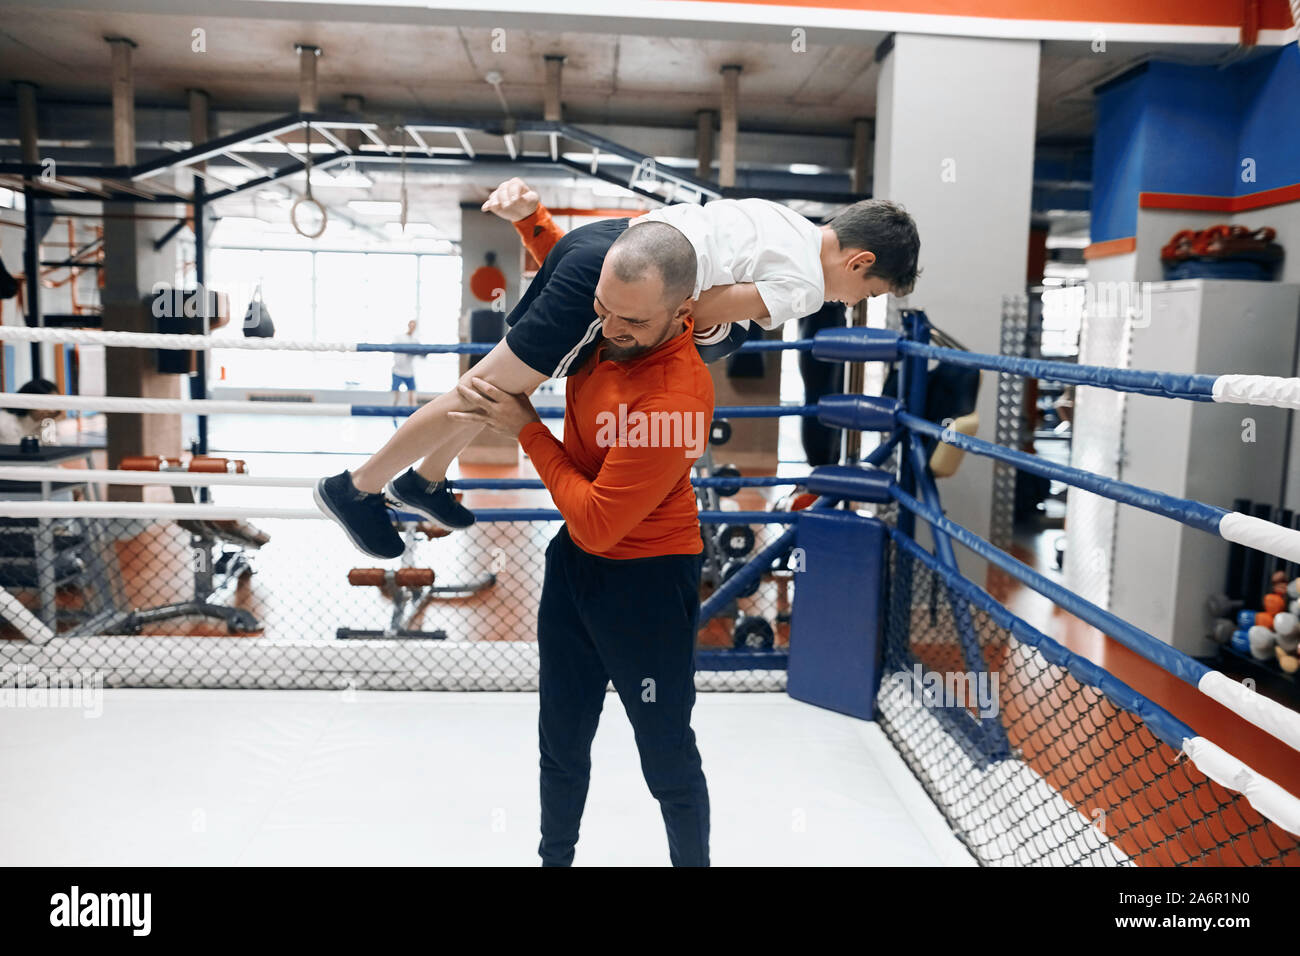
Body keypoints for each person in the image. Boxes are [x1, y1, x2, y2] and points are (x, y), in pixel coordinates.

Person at [315, 177, 920, 558]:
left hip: (607, 242)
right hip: (625, 276)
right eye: (863, 292)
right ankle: (357, 487)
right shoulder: (810, 286)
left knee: (501, 385)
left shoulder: (786, 221)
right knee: (483, 390)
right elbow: (693, 304)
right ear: (860, 260)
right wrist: (719, 330)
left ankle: (424, 477)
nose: (850, 303)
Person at [447, 221, 713, 866]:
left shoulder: (675, 398)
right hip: (574, 571)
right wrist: (535, 225)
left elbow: (598, 521)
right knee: (560, 741)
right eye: (604, 309)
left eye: (632, 322)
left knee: (665, 754)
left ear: (682, 312)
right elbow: (592, 268)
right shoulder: (609, 322)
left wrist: (527, 430)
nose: (612, 329)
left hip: (647, 582)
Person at [0, 378, 64, 444]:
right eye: (46, 404)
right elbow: (15, 450)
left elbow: (54, 449)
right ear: (28, 402)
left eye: (54, 404)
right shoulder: (5, 421)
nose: (52, 411)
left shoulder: (43, 423)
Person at [390, 319, 420, 407]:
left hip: (409, 372)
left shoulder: (415, 341)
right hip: (397, 370)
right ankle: (393, 415)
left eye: (414, 326)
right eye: (411, 325)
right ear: (408, 325)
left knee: (412, 396)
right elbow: (393, 348)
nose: (412, 327)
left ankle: (413, 417)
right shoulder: (399, 337)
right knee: (395, 397)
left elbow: (422, 353)